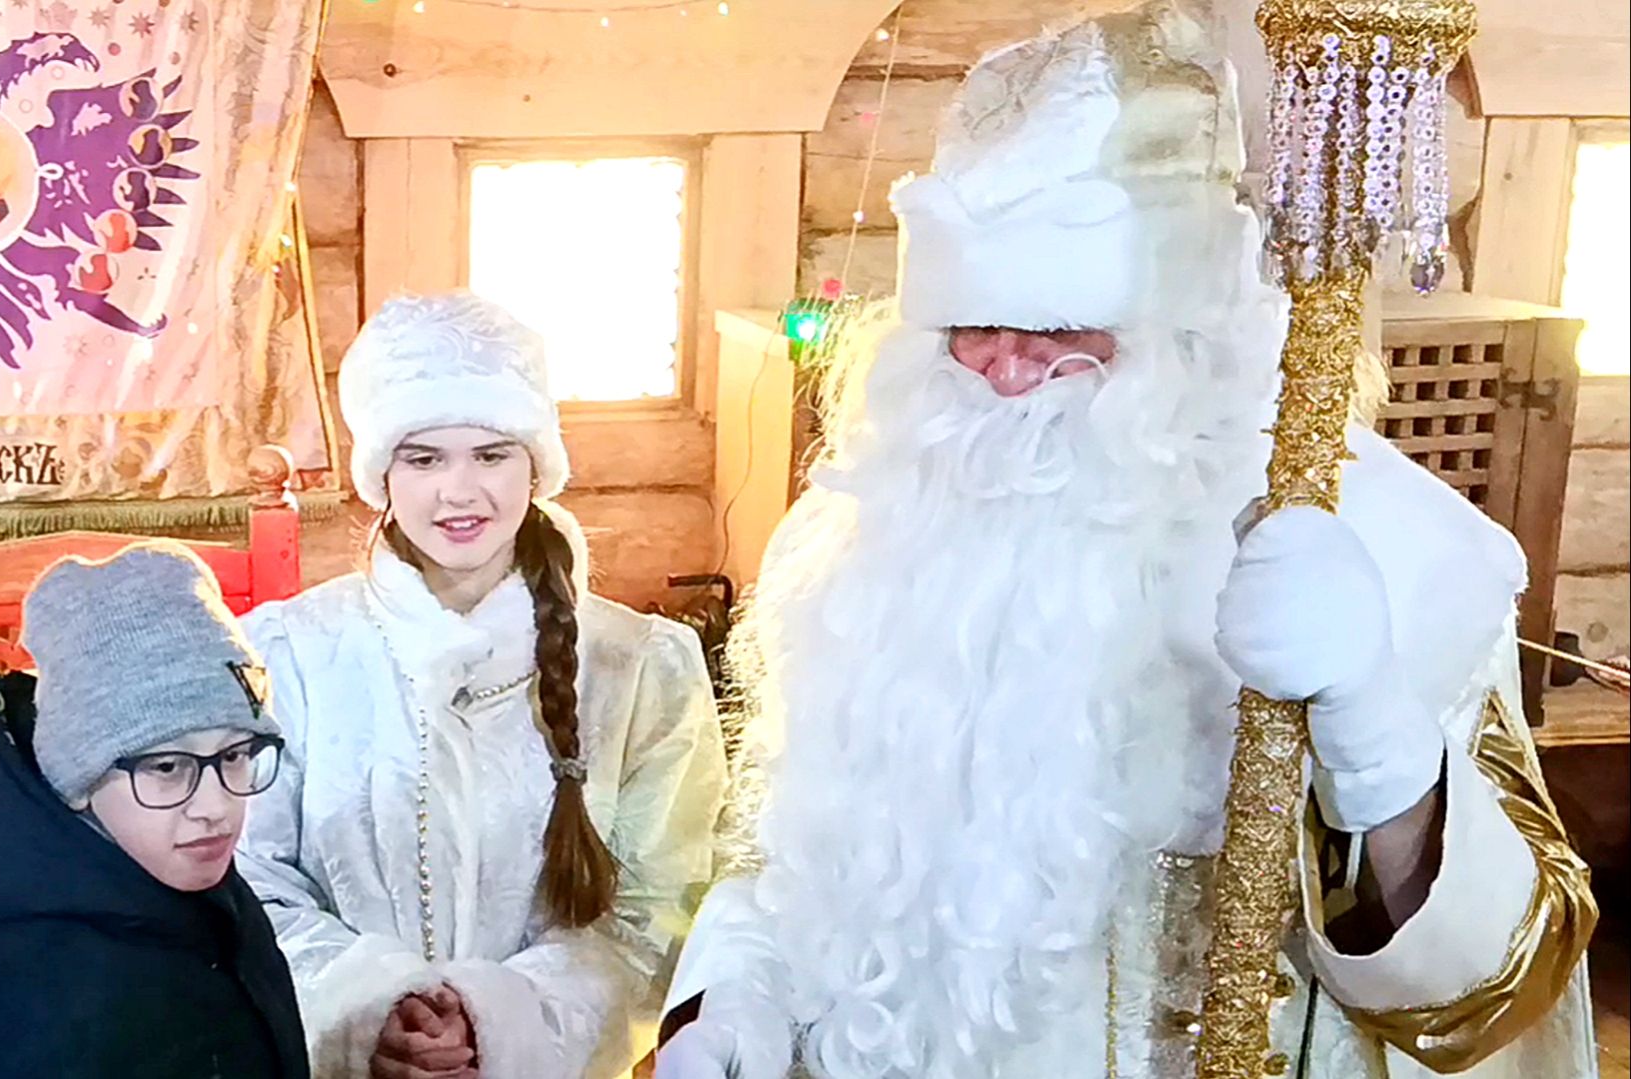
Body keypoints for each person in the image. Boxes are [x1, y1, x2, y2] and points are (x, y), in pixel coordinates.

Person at [653, 4, 1598, 1078]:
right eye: (970, 323)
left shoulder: (1380, 543)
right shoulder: (855, 529)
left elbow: (1494, 990)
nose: (1006, 370)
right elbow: (782, 852)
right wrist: (731, 996)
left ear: (1182, 325)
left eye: (1057, 326)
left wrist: (1372, 724)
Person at [235, 291, 728, 1079]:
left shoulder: (640, 666)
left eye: (491, 454)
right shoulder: (291, 654)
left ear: (537, 465)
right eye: (423, 458)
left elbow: (660, 912)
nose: (459, 491)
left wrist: (496, 1024)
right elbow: (249, 881)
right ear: (381, 474)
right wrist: (368, 1013)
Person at [0, 541, 309, 1079]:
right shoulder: (29, 999)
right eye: (166, 767)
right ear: (78, 778)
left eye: (235, 755)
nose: (215, 806)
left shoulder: (201, 895)